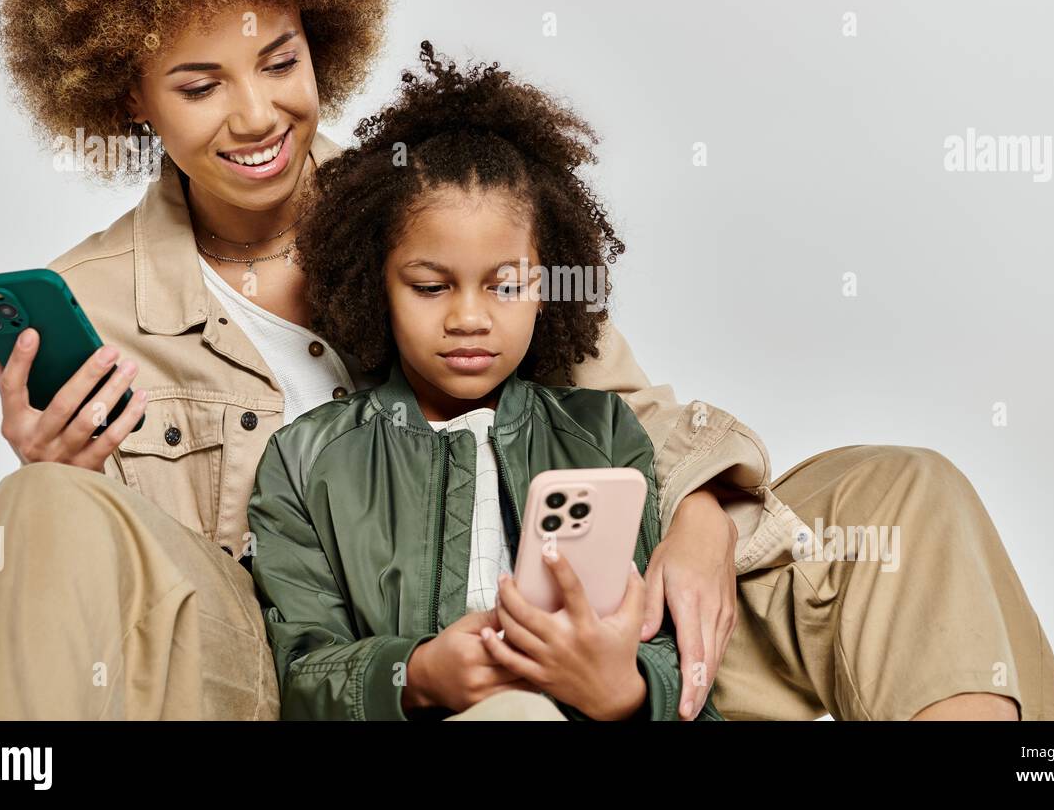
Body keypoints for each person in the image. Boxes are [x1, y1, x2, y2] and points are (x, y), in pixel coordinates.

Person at [0, 0, 1054, 721]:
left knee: (899, 496)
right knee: (38, 509)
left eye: (280, 61)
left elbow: (634, 411)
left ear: (320, 36)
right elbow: (162, 609)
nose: (256, 113)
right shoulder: (93, 299)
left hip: (570, 631)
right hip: (308, 675)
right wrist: (69, 485)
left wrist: (699, 518)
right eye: (198, 84)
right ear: (130, 103)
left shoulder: (428, 206)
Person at [250, 43, 725, 720]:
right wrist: (413, 676)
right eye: (430, 285)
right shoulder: (305, 461)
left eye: (506, 286)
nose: (468, 318)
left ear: (547, 286)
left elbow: (673, 637)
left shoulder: (605, 433)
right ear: (374, 284)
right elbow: (299, 671)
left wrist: (624, 689)